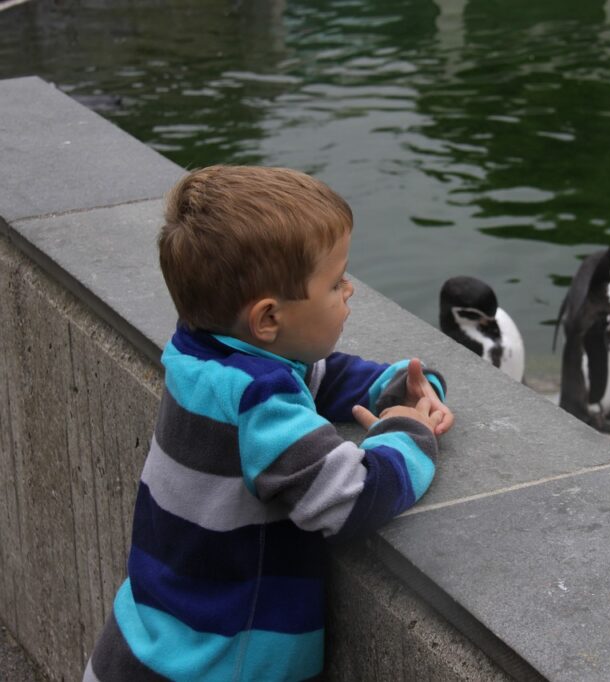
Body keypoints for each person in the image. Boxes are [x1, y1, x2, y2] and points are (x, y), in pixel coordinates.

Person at [83, 165, 454, 681]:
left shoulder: (204, 353)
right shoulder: (260, 398)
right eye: (335, 282)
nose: (350, 290)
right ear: (268, 319)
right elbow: (347, 499)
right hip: (217, 668)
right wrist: (406, 430)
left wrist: (398, 383)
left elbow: (309, 375)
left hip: (143, 647)